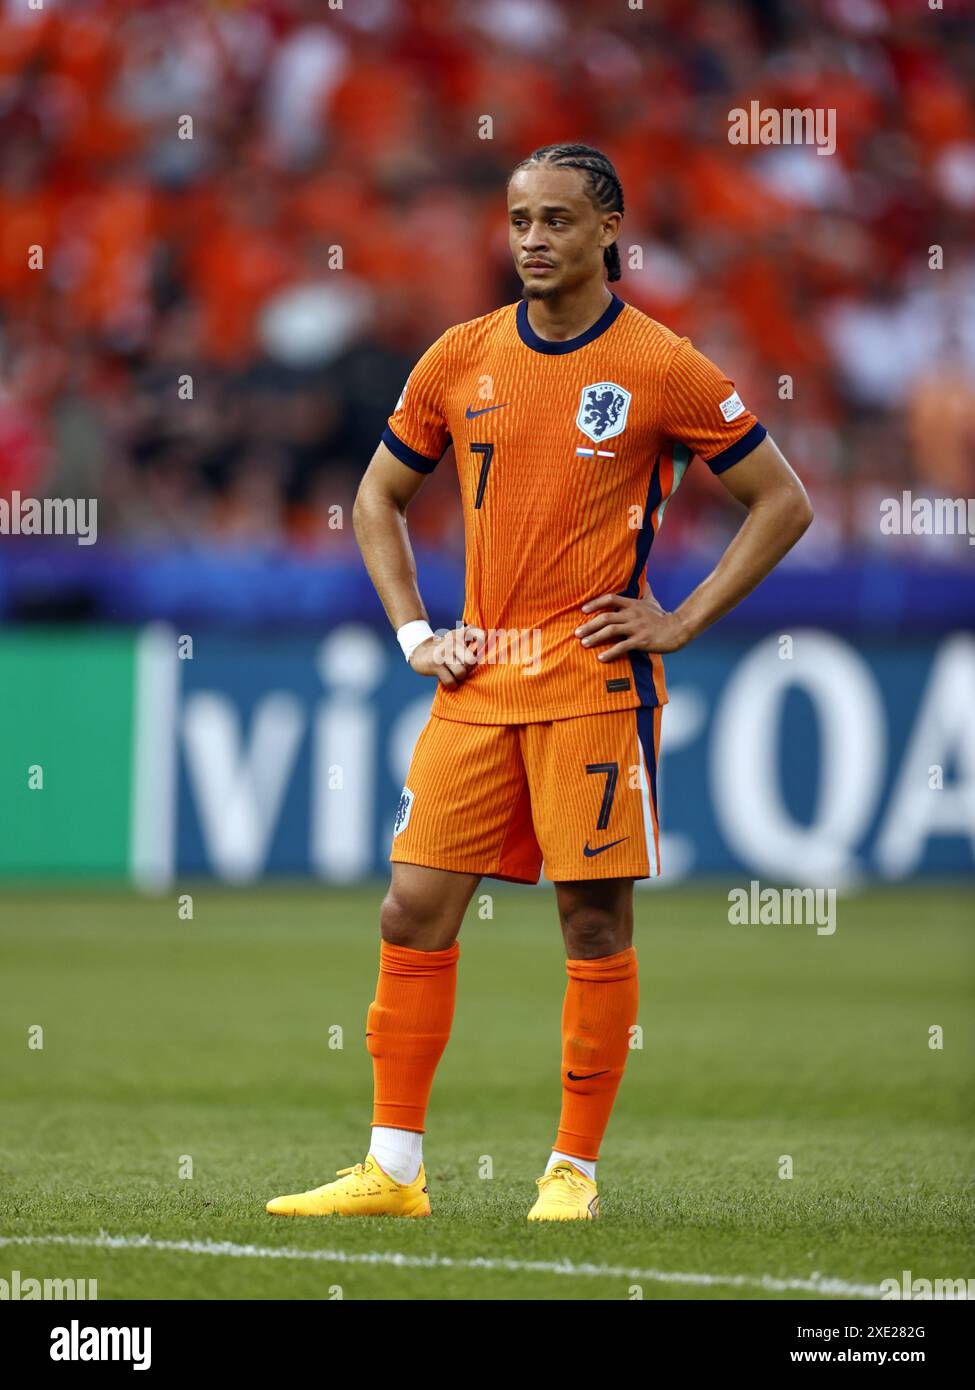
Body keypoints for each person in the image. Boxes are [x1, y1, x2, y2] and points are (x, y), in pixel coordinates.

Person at [267, 143, 812, 1222]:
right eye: (519, 219)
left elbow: (782, 500)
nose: (532, 239)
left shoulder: (663, 365)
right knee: (411, 909)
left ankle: (572, 1171)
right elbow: (376, 499)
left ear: (610, 230)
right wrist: (418, 631)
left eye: (557, 220)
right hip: (479, 680)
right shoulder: (459, 356)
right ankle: (393, 1169)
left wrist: (681, 620)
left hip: (593, 685)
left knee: (592, 923)